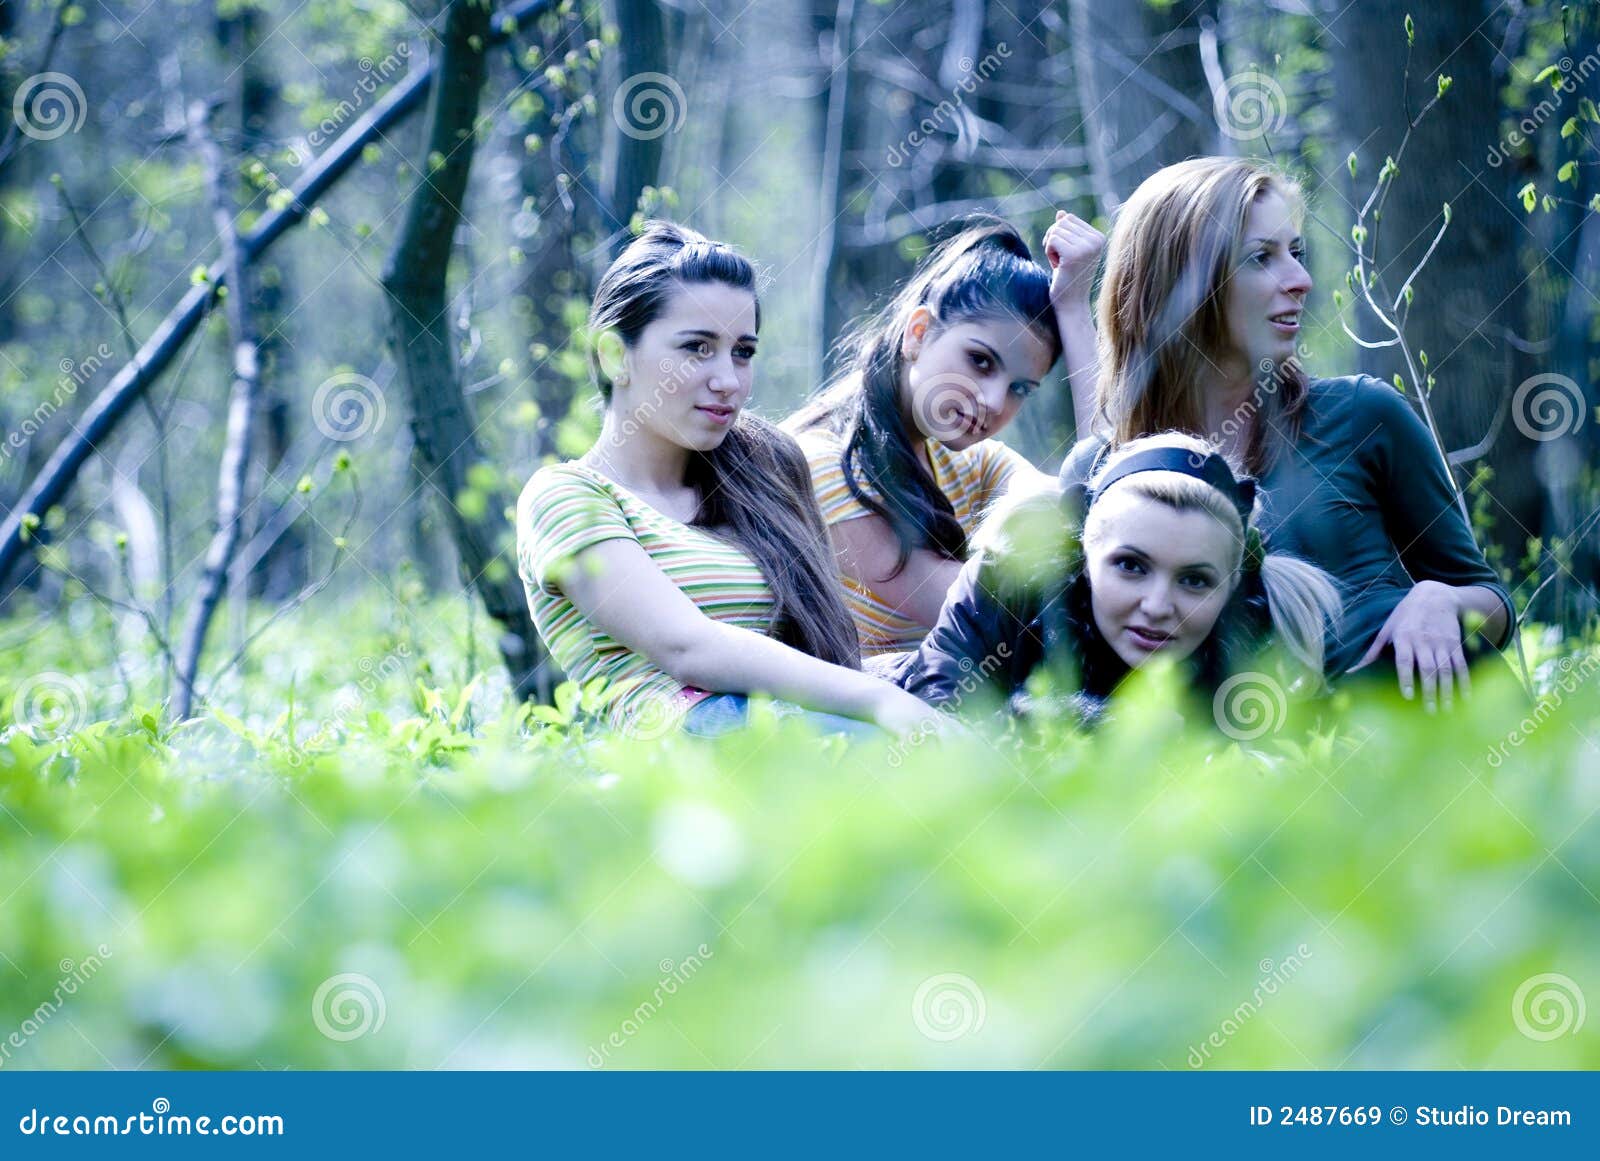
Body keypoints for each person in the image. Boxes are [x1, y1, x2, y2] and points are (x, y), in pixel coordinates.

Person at [1054, 157, 1513, 711]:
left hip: (1415, 734)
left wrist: (1441, 601)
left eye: (1295, 253)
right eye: (1261, 258)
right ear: (1180, 284)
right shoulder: (1100, 472)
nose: (1300, 280)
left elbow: (1493, 602)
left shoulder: (1363, 415)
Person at [516, 222, 934, 738]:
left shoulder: (762, 474)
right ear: (615, 355)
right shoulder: (566, 497)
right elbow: (686, 648)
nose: (728, 381)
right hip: (682, 738)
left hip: (792, 726)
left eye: (743, 352)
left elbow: (812, 659)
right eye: (697, 347)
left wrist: (904, 678)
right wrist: (881, 700)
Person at [784, 215, 1103, 662]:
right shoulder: (820, 462)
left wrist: (1074, 307)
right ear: (918, 333)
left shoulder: (972, 465)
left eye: (1020, 388)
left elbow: (1102, 492)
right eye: (980, 361)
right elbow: (982, 614)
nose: (993, 401)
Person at [899, 433, 1342, 725]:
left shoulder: (1268, 638)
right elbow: (935, 715)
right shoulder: (1008, 586)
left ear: (1232, 586)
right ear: (1083, 555)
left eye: (1194, 581)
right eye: (1131, 566)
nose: (1157, 606)